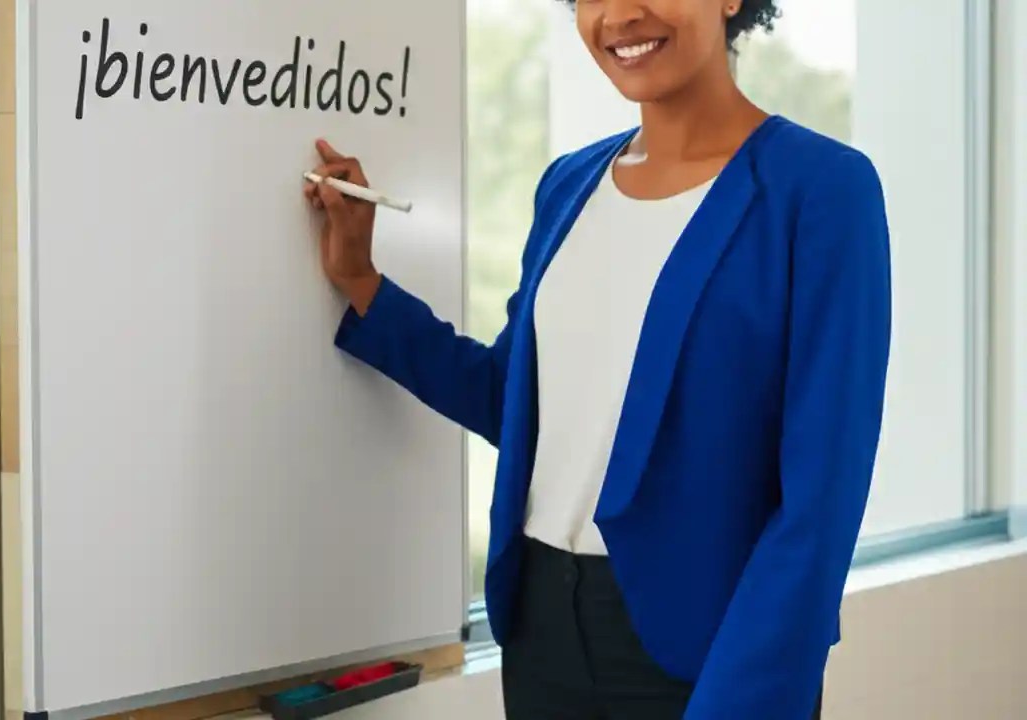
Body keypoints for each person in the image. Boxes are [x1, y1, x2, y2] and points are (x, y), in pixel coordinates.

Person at [302, 0, 891, 717]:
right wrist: (363, 280)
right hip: (544, 632)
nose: (620, 14)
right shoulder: (568, 186)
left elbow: (820, 503)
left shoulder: (822, 191)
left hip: (710, 649)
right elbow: (513, 402)